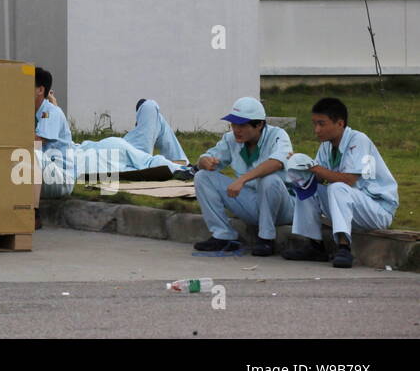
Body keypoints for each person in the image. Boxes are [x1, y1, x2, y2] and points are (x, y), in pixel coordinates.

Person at [283, 97, 397, 269]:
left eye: (322, 124)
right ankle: (315, 246)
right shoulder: (326, 146)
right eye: (314, 124)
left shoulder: (359, 140)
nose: (316, 130)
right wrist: (299, 168)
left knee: (338, 187)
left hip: (378, 209)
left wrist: (313, 166)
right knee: (306, 185)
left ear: (340, 123)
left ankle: (344, 248)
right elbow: (319, 177)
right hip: (351, 206)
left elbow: (349, 180)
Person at [192, 97, 294, 257]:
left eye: (242, 125)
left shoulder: (278, 135)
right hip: (252, 202)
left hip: (282, 206)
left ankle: (266, 239)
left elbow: (277, 163)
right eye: (233, 124)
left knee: (269, 179)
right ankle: (223, 236)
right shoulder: (230, 139)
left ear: (259, 124)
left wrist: (242, 179)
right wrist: (205, 161)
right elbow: (208, 157)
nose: (236, 130)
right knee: (202, 177)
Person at [33, 67, 75, 200]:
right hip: (47, 173)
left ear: (40, 90)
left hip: (60, 178)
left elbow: (36, 142)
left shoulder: (49, 112)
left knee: (26, 153)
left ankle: (34, 213)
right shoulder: (36, 113)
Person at [123, 98, 188, 165]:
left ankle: (143, 123)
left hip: (127, 152)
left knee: (155, 115)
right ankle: (180, 161)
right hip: (137, 158)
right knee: (151, 107)